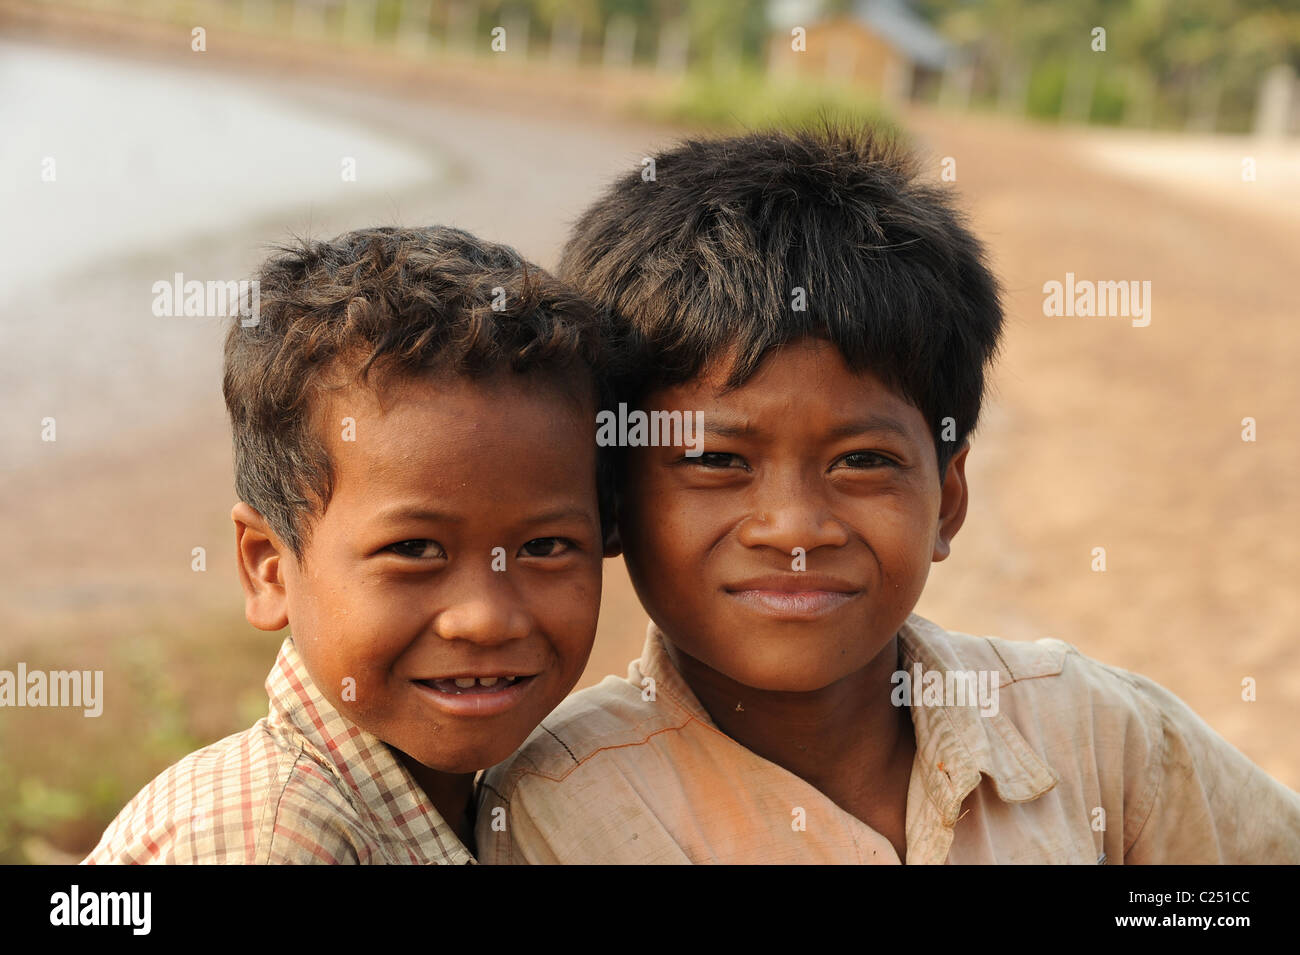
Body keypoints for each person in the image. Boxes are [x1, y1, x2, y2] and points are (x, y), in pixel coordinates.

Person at [475, 124, 1300, 864]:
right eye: (718, 461)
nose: (795, 527)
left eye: (862, 461)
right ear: (612, 497)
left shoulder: (1090, 731)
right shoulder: (565, 806)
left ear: (947, 498)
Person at [86, 225, 615, 863]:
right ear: (270, 569)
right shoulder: (273, 839)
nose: (486, 617)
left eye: (545, 546)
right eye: (415, 550)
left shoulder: (501, 803)